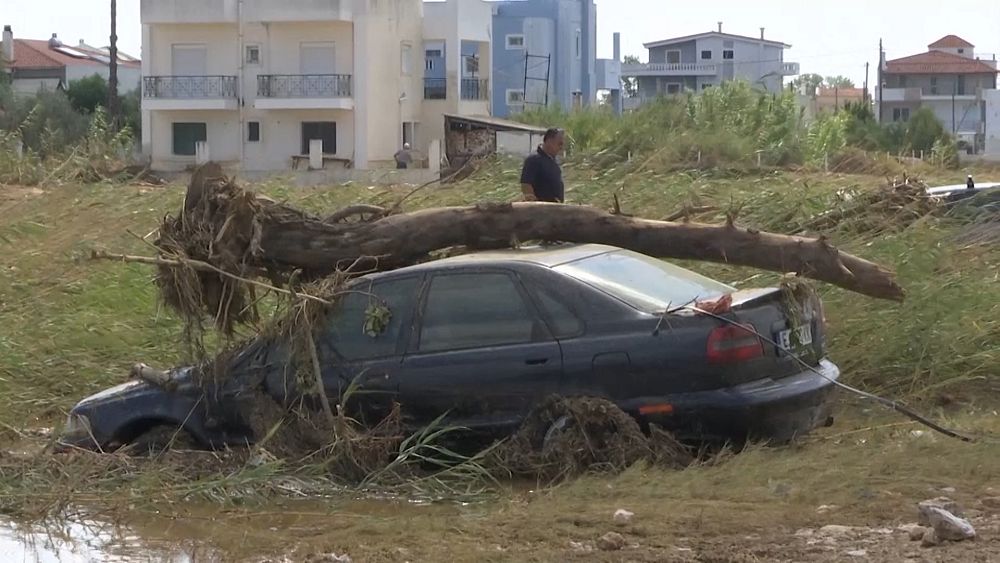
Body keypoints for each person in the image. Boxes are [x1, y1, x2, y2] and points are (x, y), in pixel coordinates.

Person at [520, 128, 565, 203]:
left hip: (556, 209)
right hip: (542, 211)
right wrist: (534, 206)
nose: (561, 148)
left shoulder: (554, 160)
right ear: (549, 141)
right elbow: (526, 185)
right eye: (559, 144)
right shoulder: (534, 159)